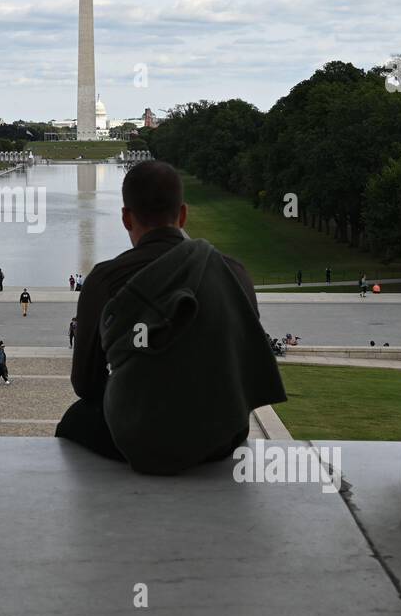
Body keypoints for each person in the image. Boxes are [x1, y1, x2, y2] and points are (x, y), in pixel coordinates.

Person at [56, 160, 286, 474]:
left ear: (126, 217)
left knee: (76, 418)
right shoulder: (233, 272)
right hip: (220, 437)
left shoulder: (105, 280)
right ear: (183, 214)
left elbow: (86, 384)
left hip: (138, 437)